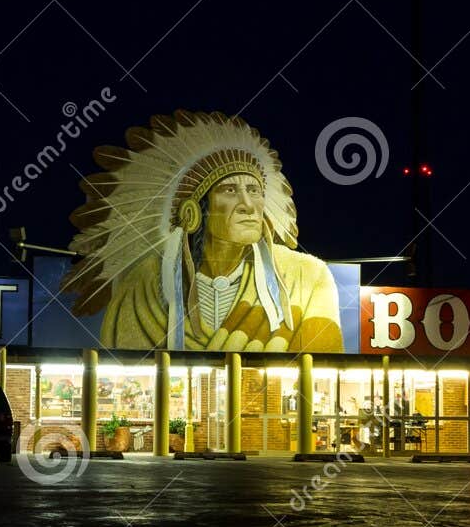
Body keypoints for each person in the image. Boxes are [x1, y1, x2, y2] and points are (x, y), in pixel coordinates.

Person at [62, 110, 343, 352]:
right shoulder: (143, 287)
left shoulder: (305, 277)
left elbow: (324, 370)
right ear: (194, 210)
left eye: (254, 190)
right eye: (229, 190)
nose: (248, 204)